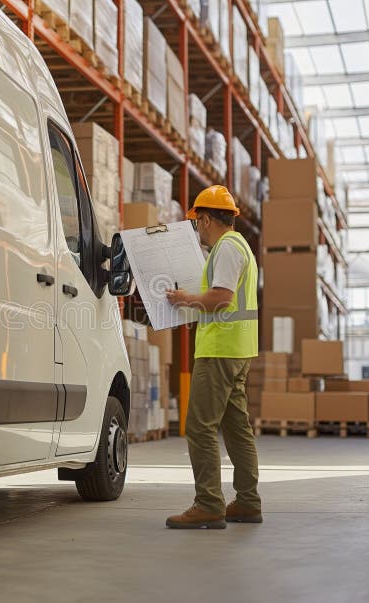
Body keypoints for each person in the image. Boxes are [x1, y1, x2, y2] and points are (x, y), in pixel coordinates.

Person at [164, 185, 261, 529]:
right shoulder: (240, 247)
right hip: (236, 349)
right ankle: (248, 502)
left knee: (199, 428)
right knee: (236, 429)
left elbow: (221, 298)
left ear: (205, 218)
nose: (197, 230)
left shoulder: (226, 248)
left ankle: (208, 504)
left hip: (220, 350)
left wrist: (186, 299)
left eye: (197, 222)